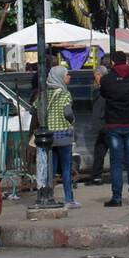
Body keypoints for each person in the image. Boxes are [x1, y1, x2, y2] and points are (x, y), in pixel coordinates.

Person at [97, 51, 129, 206]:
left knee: (116, 161)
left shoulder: (106, 79)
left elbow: (103, 94)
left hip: (114, 124)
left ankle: (117, 197)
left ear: (113, 63)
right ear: (127, 61)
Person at [45, 65, 78, 208]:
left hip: (49, 136)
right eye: (66, 75)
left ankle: (48, 197)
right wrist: (72, 121)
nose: (69, 77)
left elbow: (35, 108)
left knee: (50, 169)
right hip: (64, 135)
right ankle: (69, 199)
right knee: (66, 167)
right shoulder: (65, 94)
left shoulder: (45, 94)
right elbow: (68, 113)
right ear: (60, 77)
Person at [85, 71, 109, 185]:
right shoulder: (98, 90)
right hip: (102, 126)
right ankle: (96, 176)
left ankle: (96, 176)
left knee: (115, 151)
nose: (96, 79)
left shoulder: (106, 89)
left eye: (97, 76)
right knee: (99, 151)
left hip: (106, 125)